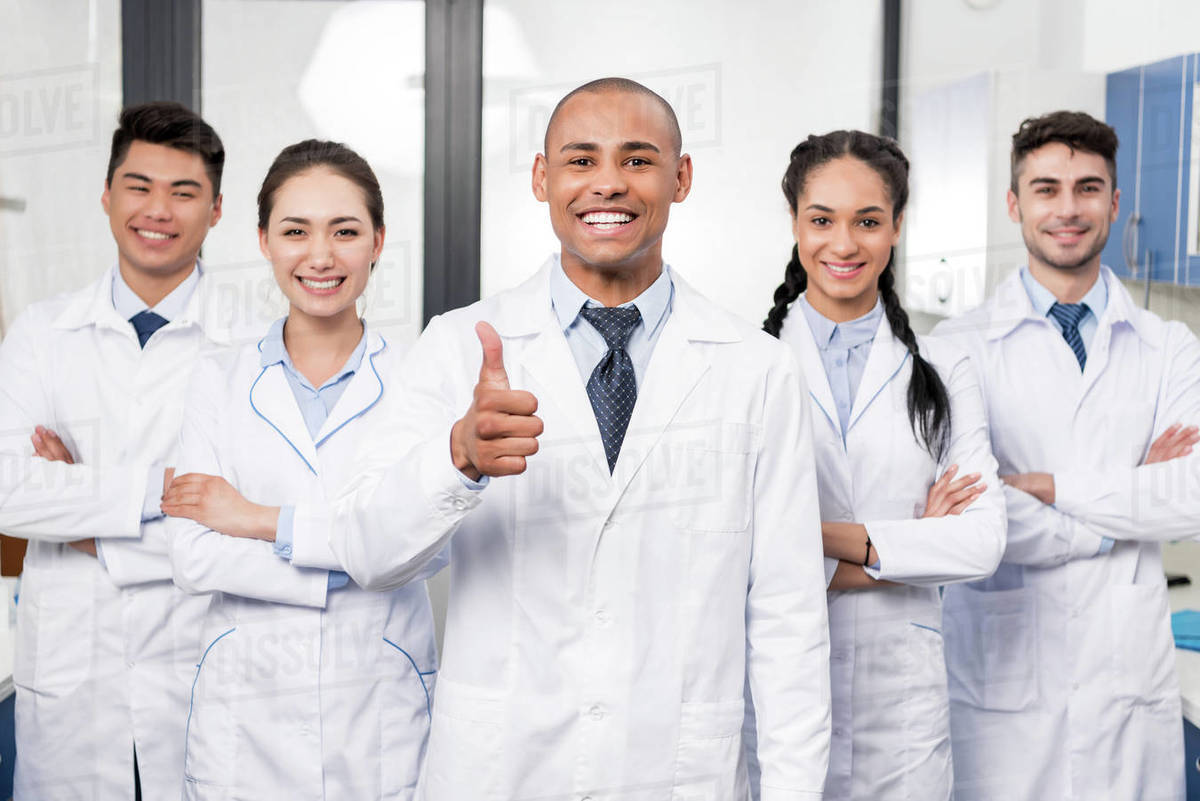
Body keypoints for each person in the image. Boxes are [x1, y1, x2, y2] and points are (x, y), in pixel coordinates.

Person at [285, 77, 832, 800]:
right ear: (542, 178)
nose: (608, 183)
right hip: (502, 770)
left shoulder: (755, 367)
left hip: (678, 771)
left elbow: (789, 619)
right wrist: (457, 459)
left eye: (638, 160)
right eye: (581, 161)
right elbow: (367, 551)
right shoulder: (457, 346)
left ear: (682, 177)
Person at [161, 139, 441, 800]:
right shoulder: (216, 378)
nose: (321, 255)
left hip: (377, 708)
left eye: (345, 230)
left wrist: (259, 520)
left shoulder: (421, 380)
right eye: (295, 231)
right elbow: (193, 554)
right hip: (245, 715)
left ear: (378, 240)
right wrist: (355, 558)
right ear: (262, 240)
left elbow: (426, 547)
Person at [935, 110, 1200, 801]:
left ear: (1115, 205)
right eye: (1047, 188)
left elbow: (1192, 497)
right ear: (1015, 204)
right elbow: (977, 520)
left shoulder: (1171, 347)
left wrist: (1049, 485)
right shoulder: (956, 348)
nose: (1068, 208)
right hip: (1004, 707)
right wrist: (1133, 496)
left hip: (1128, 700)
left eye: (1088, 188)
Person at [758, 129, 1005, 800]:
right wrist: (908, 542)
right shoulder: (745, 364)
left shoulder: (945, 366)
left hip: (904, 718)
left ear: (896, 225)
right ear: (794, 223)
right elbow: (724, 551)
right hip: (777, 699)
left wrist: (804, 535)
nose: (844, 244)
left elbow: (981, 541)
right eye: (822, 220)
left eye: (868, 220)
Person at [0, 102, 227, 800]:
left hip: (197, 676)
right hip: (72, 688)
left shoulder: (251, 343)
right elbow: (8, 489)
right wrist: (159, 494)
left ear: (215, 210)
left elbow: (247, 526)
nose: (158, 209)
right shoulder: (42, 333)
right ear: (106, 195)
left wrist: (81, 504)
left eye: (184, 192)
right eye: (139, 185)